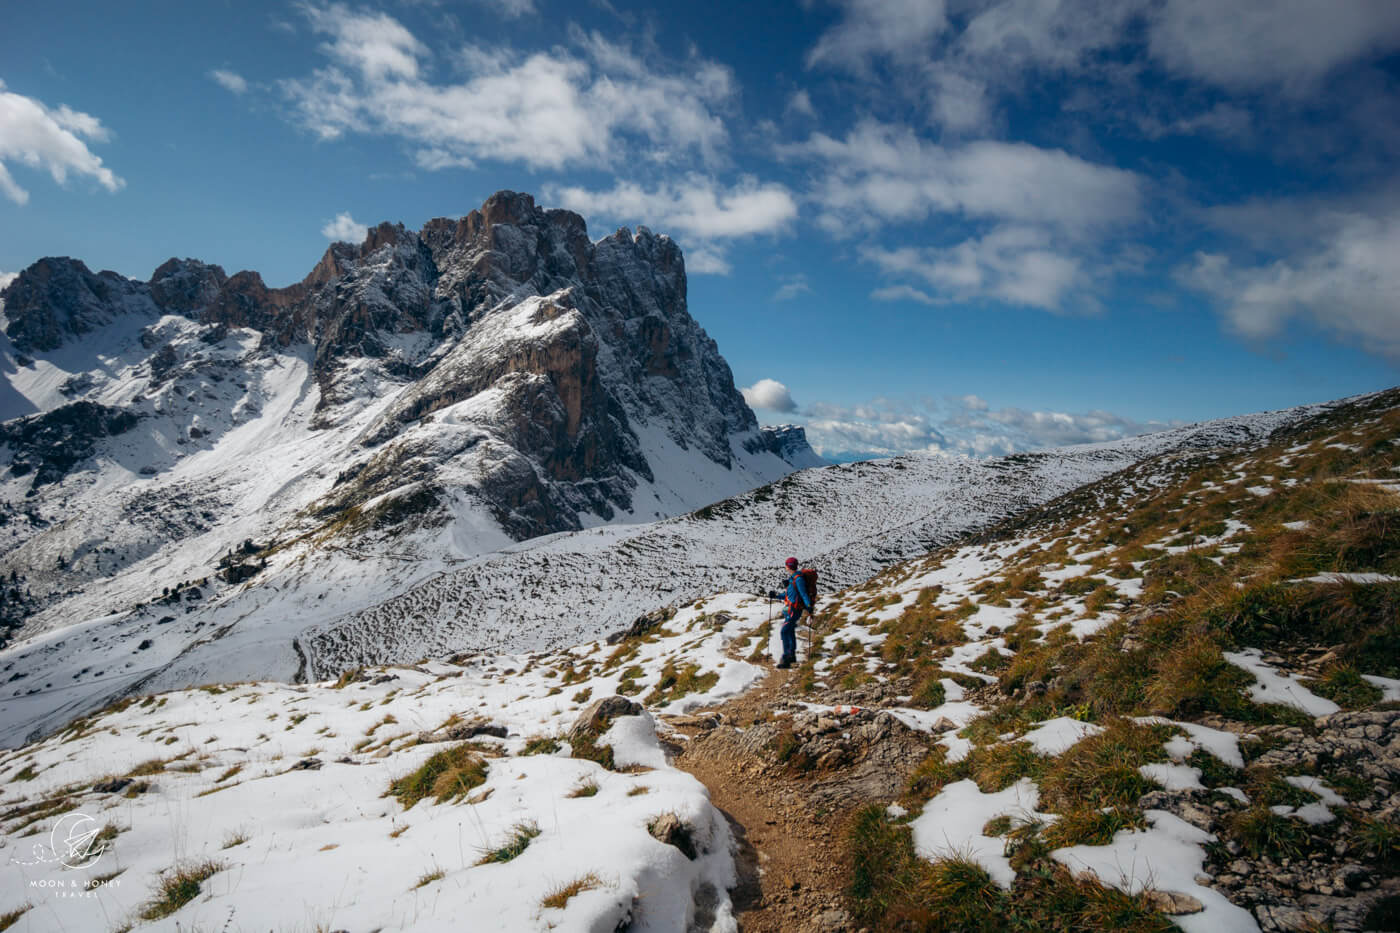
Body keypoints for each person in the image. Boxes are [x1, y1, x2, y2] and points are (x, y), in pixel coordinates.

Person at [771, 557, 812, 669]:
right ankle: (791, 655)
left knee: (784, 631)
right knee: (789, 631)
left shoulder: (798, 579)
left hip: (794, 610)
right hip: (791, 610)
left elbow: (803, 594)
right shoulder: (793, 579)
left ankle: (787, 657)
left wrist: (809, 606)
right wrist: (776, 596)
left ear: (788, 566)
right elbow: (789, 595)